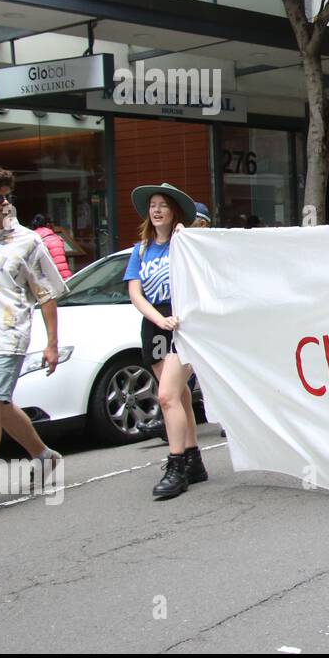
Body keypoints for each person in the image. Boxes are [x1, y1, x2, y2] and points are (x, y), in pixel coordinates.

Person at [0, 167, 68, 526]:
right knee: (1, 408)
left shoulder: (27, 241)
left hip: (8, 338)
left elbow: (48, 294)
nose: (5, 203)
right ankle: (44, 455)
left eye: (7, 196)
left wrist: (52, 343)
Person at [125, 183, 204, 500]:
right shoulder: (141, 249)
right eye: (152, 205)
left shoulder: (184, 243)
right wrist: (158, 320)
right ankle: (193, 458)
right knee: (179, 396)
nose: (156, 210)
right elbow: (134, 293)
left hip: (183, 325)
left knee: (167, 396)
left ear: (174, 212)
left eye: (164, 205)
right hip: (156, 325)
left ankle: (176, 467)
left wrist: (186, 236)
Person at [29, 214, 72, 280]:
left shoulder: (33, 239)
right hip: (66, 277)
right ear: (48, 225)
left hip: (50, 279)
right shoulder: (57, 238)